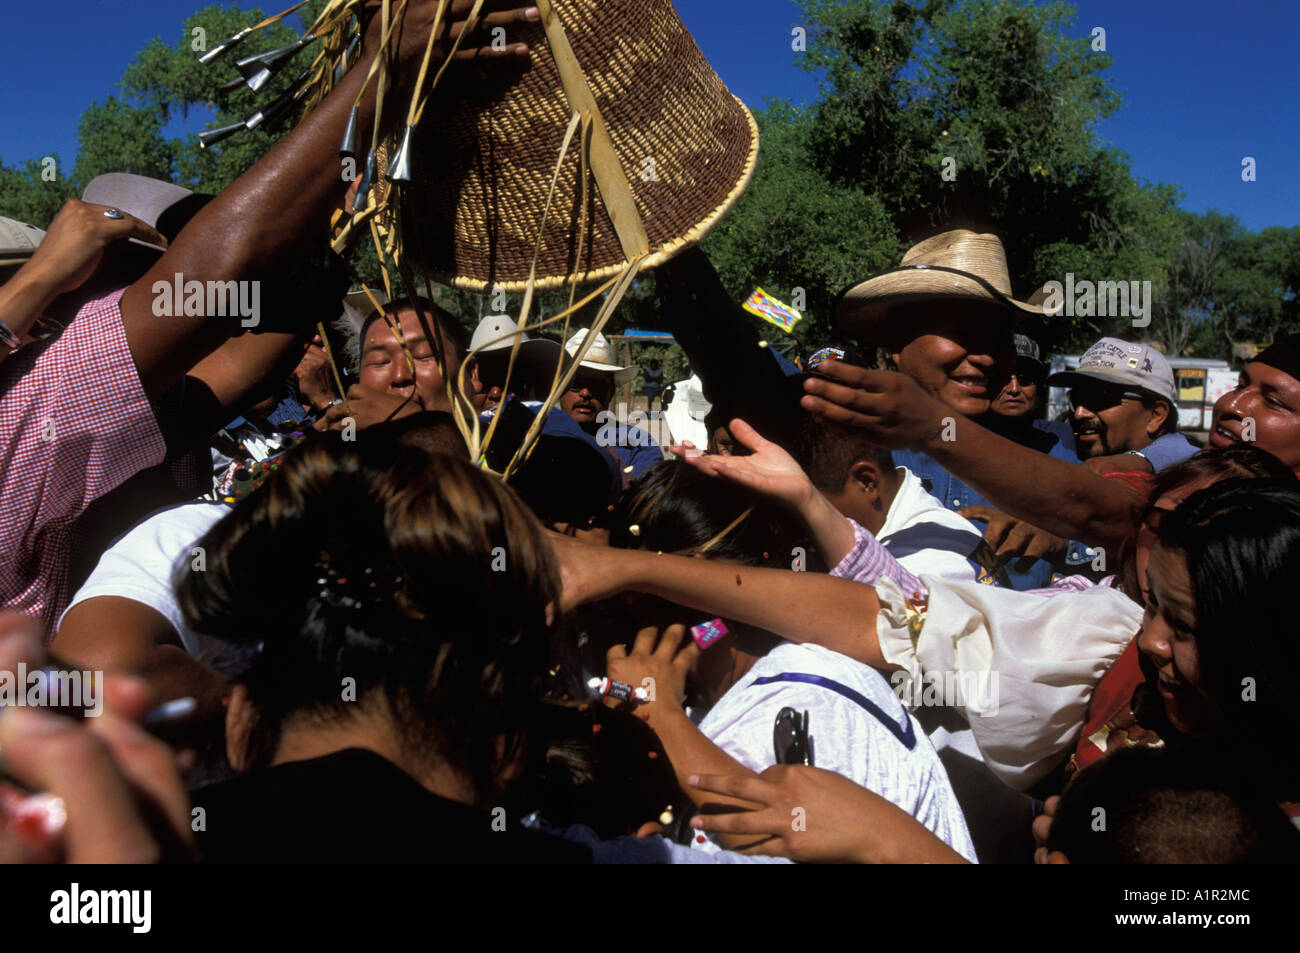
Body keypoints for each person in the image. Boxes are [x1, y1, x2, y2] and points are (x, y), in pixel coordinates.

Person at [599, 459, 977, 859]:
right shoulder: (760, 682)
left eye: (634, 598)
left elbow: (782, 836)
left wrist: (655, 710)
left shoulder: (804, 698)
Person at [832, 229, 1080, 588]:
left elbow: (1119, 538)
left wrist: (1063, 543)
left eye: (1000, 339)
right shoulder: (846, 446)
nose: (985, 357)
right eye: (961, 332)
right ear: (897, 344)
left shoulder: (1049, 456)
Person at [1046, 336, 1197, 470]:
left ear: (1155, 415)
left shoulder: (1187, 479)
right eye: (1076, 399)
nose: (1079, 413)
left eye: (1100, 398)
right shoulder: (1059, 446)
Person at [561, 329, 661, 479]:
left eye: (597, 384)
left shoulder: (638, 445)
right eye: (576, 383)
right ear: (558, 388)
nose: (585, 393)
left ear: (611, 392)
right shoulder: (535, 437)